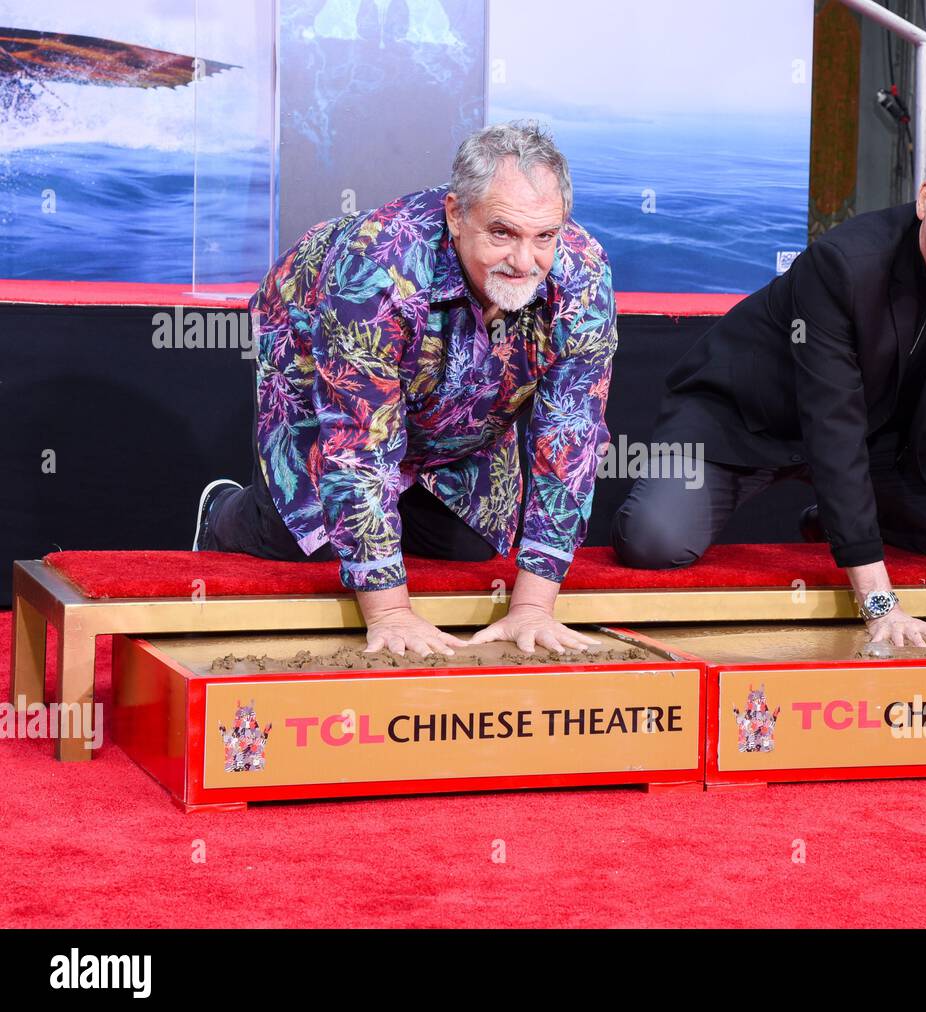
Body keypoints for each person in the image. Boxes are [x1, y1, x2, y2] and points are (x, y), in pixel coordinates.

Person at [613, 117, 926, 649]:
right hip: (747, 422)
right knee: (654, 538)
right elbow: (831, 422)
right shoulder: (844, 263)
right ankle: (849, 520)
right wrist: (879, 605)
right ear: (924, 198)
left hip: (875, 443)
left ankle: (834, 518)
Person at [194, 121, 617, 658]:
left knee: (467, 548)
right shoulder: (372, 268)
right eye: (503, 233)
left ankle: (404, 495)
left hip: (464, 391)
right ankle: (222, 513)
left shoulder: (582, 272)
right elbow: (359, 445)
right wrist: (390, 613)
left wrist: (532, 609)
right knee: (305, 544)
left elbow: (571, 436)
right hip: (319, 345)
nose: (525, 261)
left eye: (545, 236)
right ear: (456, 215)